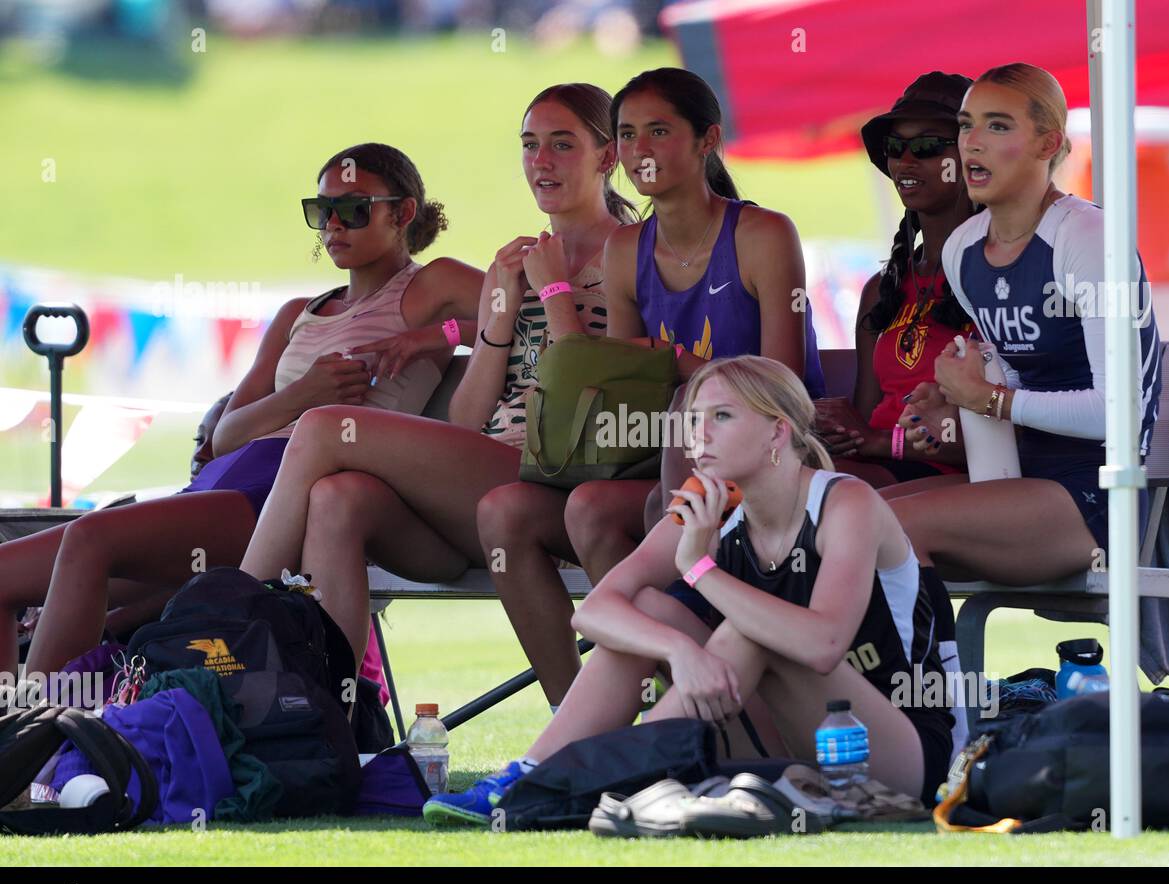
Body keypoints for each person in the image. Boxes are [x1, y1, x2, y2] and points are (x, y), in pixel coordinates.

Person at [0, 142, 481, 681]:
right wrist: (306, 391)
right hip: (223, 481)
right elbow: (227, 435)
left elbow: (528, 313)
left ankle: (41, 737)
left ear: (403, 212)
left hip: (278, 497)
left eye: (353, 209)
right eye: (321, 211)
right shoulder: (298, 313)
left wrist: (436, 335)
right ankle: (22, 747)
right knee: (7, 577)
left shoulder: (430, 285)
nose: (333, 226)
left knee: (90, 539)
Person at [426, 355, 956, 826]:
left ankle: (598, 781)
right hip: (793, 743)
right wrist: (680, 652)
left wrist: (700, 569)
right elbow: (595, 612)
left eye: (721, 418)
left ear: (777, 432)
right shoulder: (711, 502)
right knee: (649, 610)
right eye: (694, 421)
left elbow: (822, 646)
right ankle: (533, 774)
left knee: (751, 633)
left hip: (901, 755)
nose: (698, 436)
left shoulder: (845, 503)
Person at [238, 84, 637, 658]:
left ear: (607, 157)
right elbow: (469, 416)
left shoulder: (628, 254)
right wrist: (497, 317)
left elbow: (598, 402)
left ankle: (235, 617)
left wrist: (551, 291)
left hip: (565, 482)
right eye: (529, 145)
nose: (540, 161)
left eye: (561, 144)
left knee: (325, 426)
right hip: (485, 487)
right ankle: (330, 717)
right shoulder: (515, 263)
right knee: (336, 498)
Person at [484, 67, 829, 706]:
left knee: (632, 502)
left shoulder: (762, 234)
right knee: (548, 507)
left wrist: (676, 367)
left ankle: (702, 703)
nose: (642, 150)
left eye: (660, 131)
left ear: (708, 141)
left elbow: (783, 391)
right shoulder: (626, 247)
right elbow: (628, 385)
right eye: (629, 134)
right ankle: (615, 710)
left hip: (765, 462)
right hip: (665, 451)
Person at [889, 62, 1163, 585]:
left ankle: (928, 666)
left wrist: (987, 400)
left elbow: (1119, 415)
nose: (972, 143)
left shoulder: (1086, 237)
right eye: (967, 125)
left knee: (884, 524)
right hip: (1014, 478)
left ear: (1047, 144)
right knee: (841, 515)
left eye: (998, 126)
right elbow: (1014, 376)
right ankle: (916, 666)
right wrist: (950, 403)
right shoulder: (964, 249)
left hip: (1099, 495)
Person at [815, 72, 976, 494]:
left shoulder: (998, 277)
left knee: (806, 497)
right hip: (880, 475)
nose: (905, 160)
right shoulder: (880, 289)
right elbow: (867, 422)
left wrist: (879, 443)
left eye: (925, 147)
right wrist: (832, 428)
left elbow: (1004, 440)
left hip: (956, 482)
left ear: (970, 157)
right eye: (895, 147)